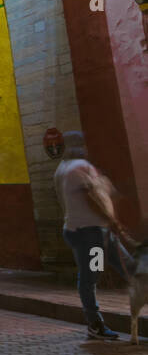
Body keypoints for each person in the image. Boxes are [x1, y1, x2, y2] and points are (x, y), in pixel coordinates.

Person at [56, 131, 127, 341]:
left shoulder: (64, 168)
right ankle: (94, 323)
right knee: (92, 276)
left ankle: (95, 323)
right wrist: (111, 220)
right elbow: (92, 198)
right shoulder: (77, 167)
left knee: (126, 268)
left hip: (95, 232)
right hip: (91, 234)